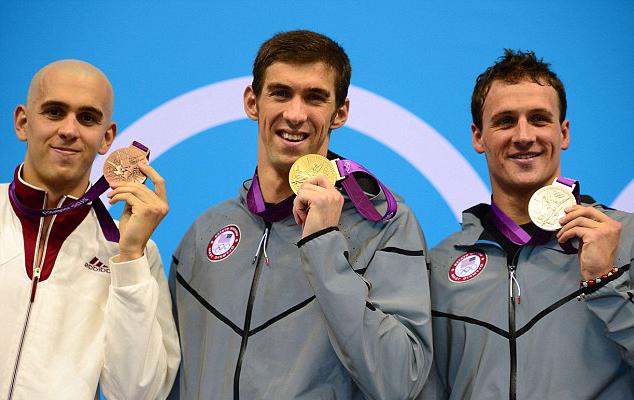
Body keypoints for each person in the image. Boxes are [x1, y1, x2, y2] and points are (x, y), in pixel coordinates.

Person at [169, 30, 432, 399]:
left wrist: (325, 247)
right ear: (251, 102)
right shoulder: (205, 232)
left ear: (339, 112)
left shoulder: (384, 226)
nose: (295, 114)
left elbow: (401, 378)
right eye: (280, 93)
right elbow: (170, 381)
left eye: (315, 97)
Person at [428, 50, 634, 399]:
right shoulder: (441, 263)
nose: (524, 136)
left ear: (563, 132)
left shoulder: (625, 238)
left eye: (539, 119)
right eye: (505, 121)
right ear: (478, 137)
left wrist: (606, 282)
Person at [0, 60, 180, 399]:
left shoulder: (133, 253)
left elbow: (136, 393)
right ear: (23, 123)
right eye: (54, 112)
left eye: (87, 118)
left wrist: (129, 259)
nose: (69, 130)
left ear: (107, 137)